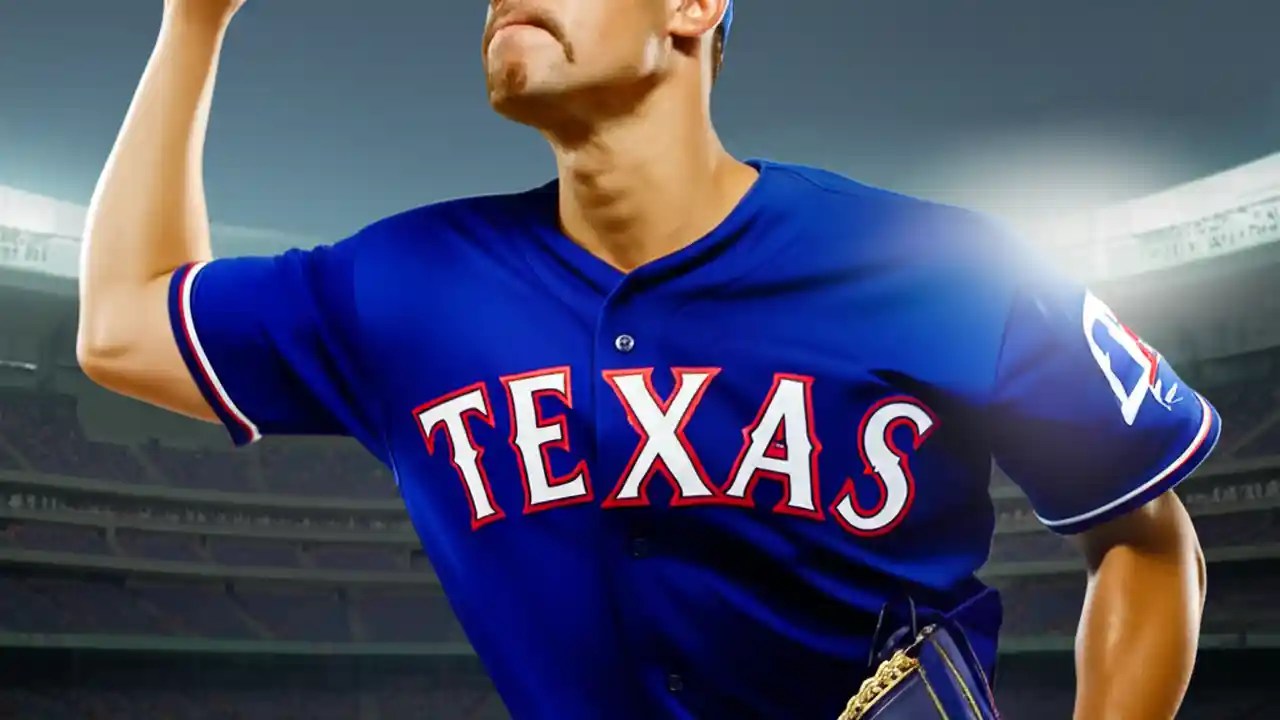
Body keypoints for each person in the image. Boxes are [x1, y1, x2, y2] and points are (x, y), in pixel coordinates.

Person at [77, 0, 1219, 718]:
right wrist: (194, 19)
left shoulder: (936, 259)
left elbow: (1143, 532)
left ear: (691, 7)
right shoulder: (407, 283)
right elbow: (125, 323)